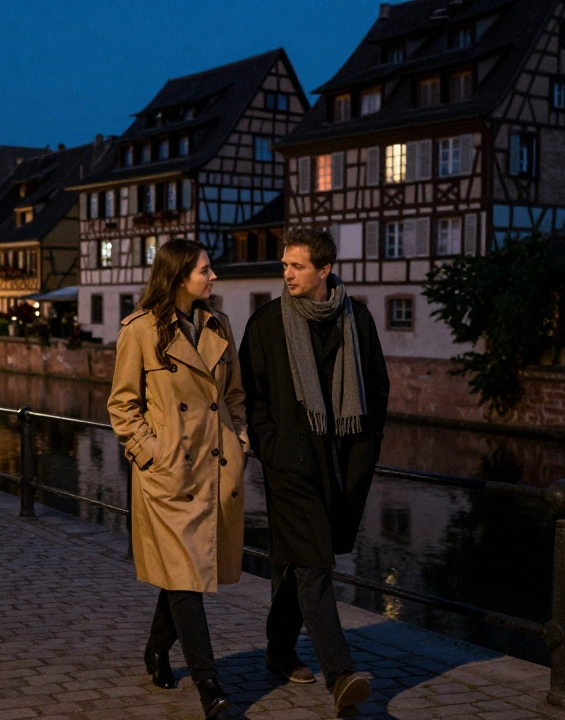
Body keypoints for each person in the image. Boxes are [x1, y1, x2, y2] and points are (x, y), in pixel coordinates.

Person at [238, 227, 390, 717]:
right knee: (316, 564)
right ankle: (341, 675)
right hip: (291, 465)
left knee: (300, 562)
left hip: (343, 464)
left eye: (296, 266)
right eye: (284, 265)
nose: (286, 274)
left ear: (324, 270)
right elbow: (250, 396)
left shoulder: (356, 320)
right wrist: (273, 447)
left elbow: (379, 390)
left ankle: (278, 648)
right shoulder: (266, 324)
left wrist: (367, 449)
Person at [107, 238, 248, 719]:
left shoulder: (219, 324)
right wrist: (152, 454)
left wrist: (240, 442)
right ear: (179, 276)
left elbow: (234, 397)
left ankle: (155, 647)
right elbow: (122, 406)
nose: (213, 278)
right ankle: (210, 685)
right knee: (187, 575)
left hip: (213, 466)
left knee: (183, 571)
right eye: (206, 271)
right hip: (168, 475)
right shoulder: (141, 331)